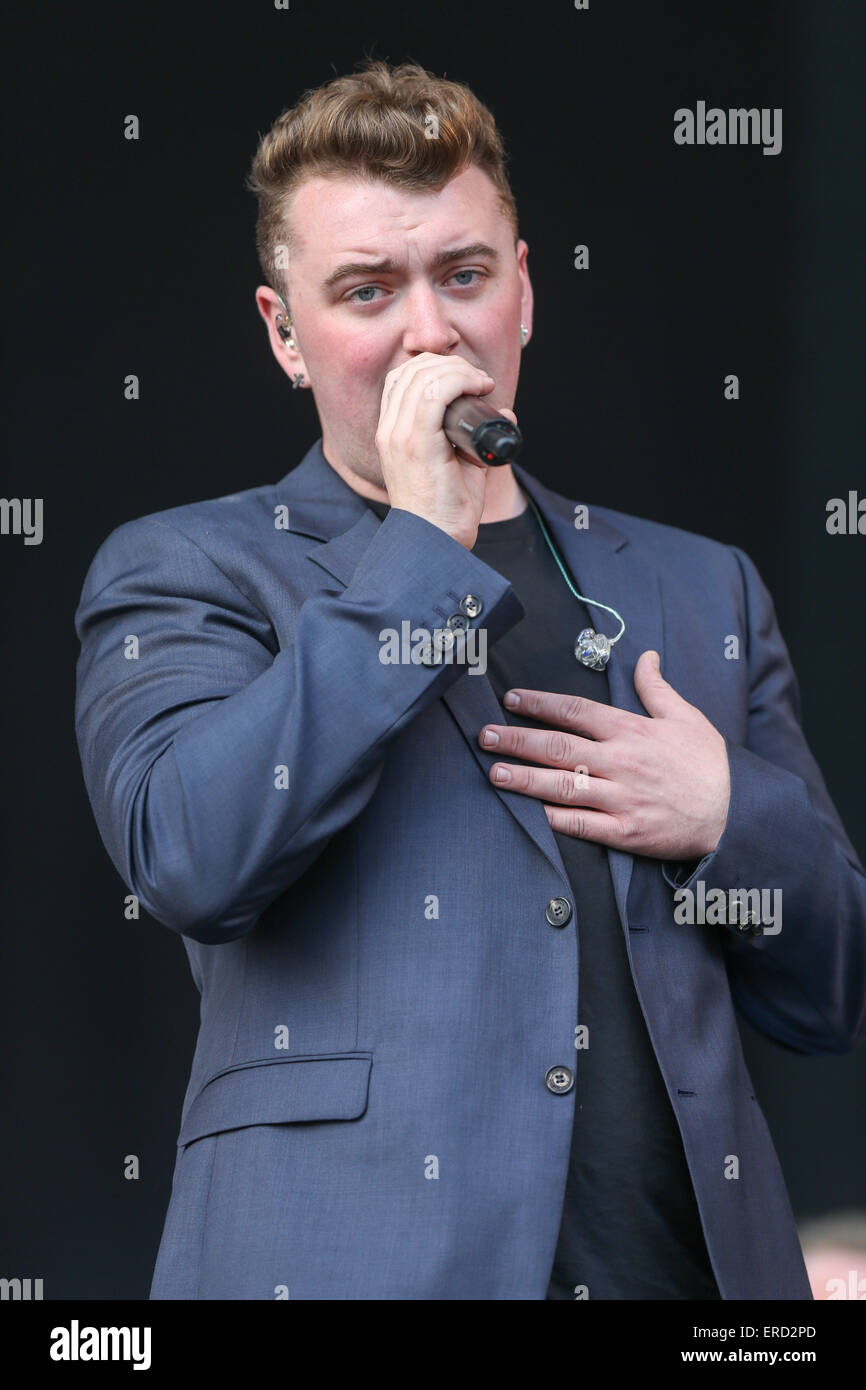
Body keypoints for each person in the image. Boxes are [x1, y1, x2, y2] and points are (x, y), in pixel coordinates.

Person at [74, 58, 866, 1300]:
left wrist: (726, 816)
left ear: (525, 289)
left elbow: (828, 984)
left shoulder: (694, 587)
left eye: (462, 274)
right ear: (284, 333)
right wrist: (416, 558)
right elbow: (189, 854)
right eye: (365, 290)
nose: (430, 332)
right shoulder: (188, 569)